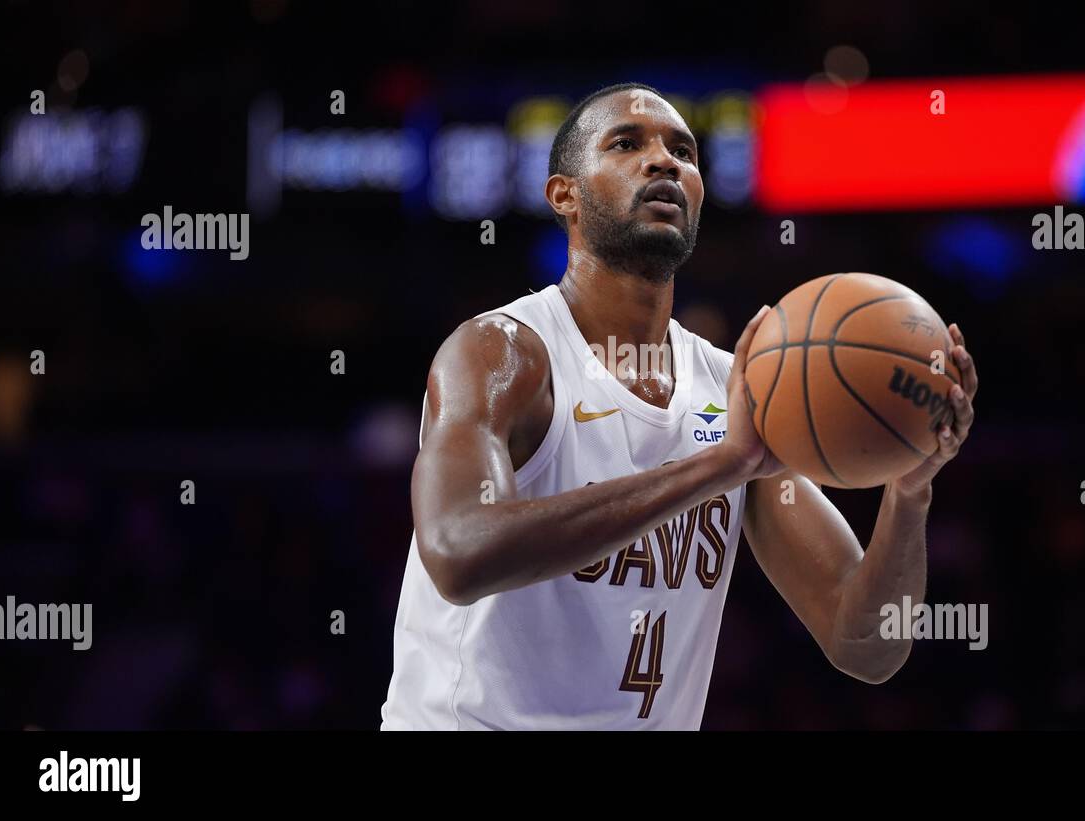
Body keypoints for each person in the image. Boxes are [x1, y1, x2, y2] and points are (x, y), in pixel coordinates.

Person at [381, 82, 979, 729]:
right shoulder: (503, 352)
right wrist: (721, 466)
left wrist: (909, 490)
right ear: (565, 195)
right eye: (627, 143)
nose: (664, 161)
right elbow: (460, 551)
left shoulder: (738, 390)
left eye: (684, 152)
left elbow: (867, 645)